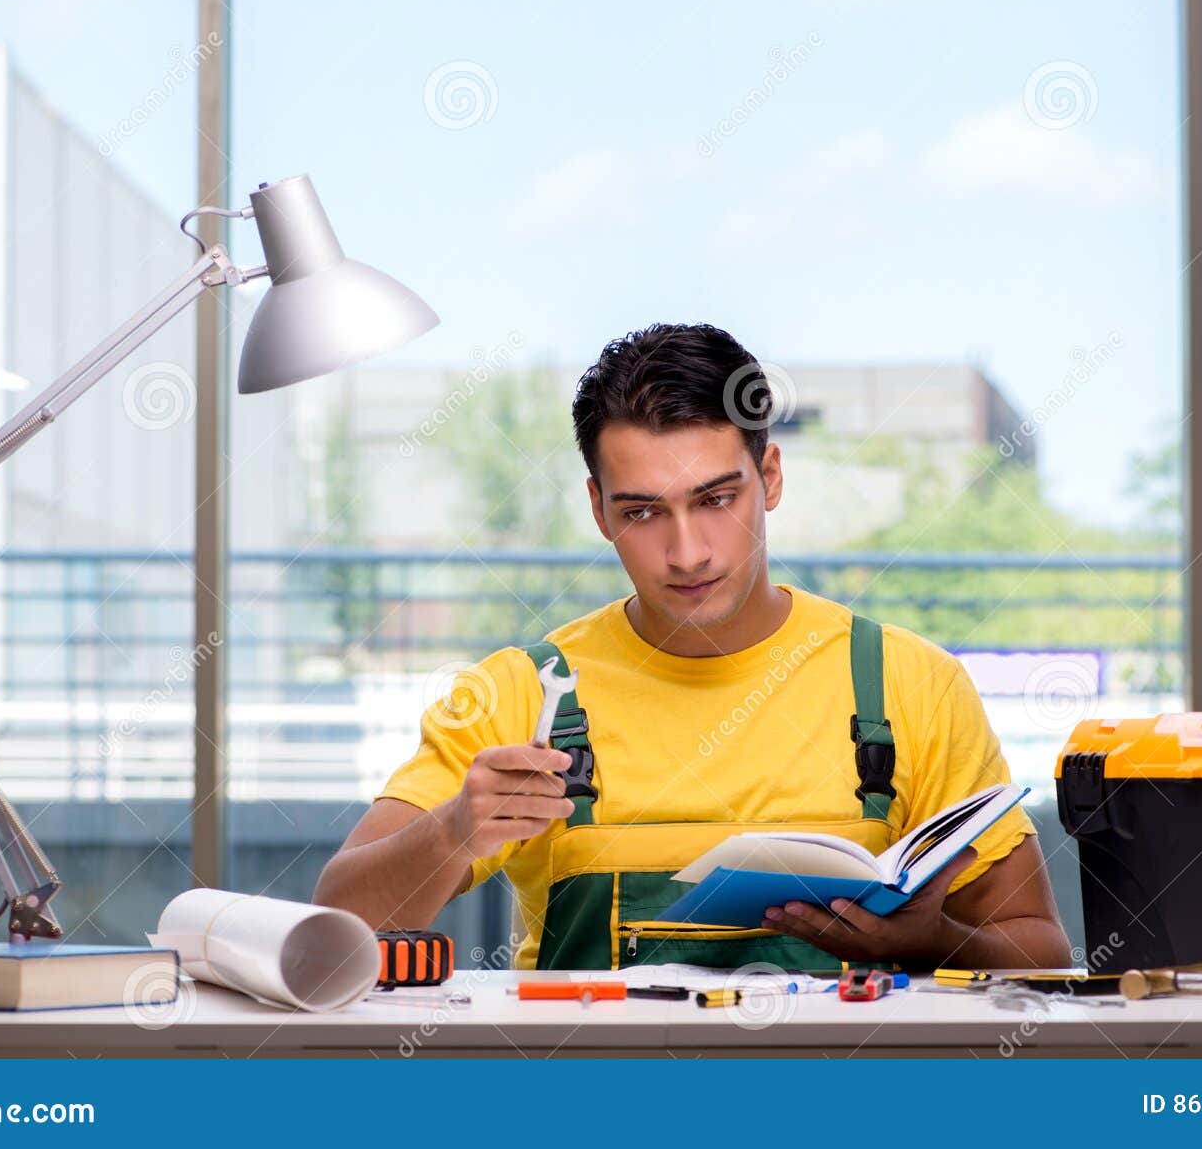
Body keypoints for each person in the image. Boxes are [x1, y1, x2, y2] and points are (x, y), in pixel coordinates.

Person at [314, 323, 1070, 971]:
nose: (688, 553)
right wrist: (453, 830)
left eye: (716, 499)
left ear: (770, 477)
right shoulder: (523, 694)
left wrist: (933, 941)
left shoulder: (910, 684)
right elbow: (336, 926)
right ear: (598, 511)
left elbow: (1041, 951)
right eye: (643, 512)